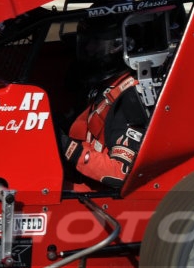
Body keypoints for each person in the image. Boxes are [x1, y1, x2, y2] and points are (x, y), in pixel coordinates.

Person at [61, 10, 152, 189]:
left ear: (120, 45)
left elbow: (120, 173)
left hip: (98, 192)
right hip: (80, 172)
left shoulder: (130, 99)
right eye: (86, 41)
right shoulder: (105, 82)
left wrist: (66, 147)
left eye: (96, 41)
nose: (88, 48)